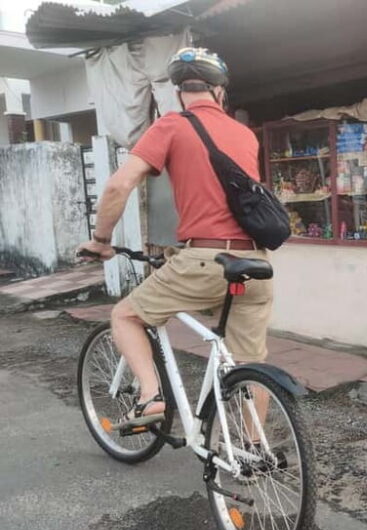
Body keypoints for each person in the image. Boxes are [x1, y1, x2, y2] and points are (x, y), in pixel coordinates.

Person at [76, 47, 272, 430]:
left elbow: (119, 186)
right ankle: (252, 453)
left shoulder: (172, 125)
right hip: (254, 263)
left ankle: (149, 398)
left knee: (126, 315)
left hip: (203, 261)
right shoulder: (245, 135)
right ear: (220, 92)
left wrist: (101, 240)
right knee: (250, 365)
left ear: (180, 92)